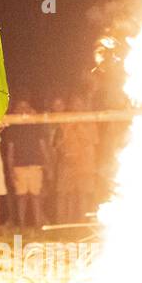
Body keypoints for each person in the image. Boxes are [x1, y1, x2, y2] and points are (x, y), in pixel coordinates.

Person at [3, 99, 50, 230]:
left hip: (36, 165)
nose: (23, 110)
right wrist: (10, 170)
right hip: (19, 166)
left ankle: (38, 224)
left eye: (26, 107)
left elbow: (43, 146)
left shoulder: (36, 126)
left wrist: (47, 163)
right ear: (16, 110)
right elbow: (10, 151)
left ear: (30, 109)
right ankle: (22, 225)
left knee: (36, 196)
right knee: (21, 197)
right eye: (20, 107)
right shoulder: (13, 128)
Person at [54, 94, 101, 224]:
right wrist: (67, 129)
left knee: (83, 194)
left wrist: (79, 126)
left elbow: (94, 140)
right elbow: (58, 143)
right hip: (67, 161)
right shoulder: (65, 120)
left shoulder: (90, 120)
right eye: (75, 103)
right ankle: (62, 223)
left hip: (85, 163)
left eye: (80, 103)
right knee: (63, 194)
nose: (77, 106)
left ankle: (82, 223)